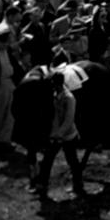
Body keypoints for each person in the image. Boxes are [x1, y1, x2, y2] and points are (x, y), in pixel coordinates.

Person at [36, 65, 85, 201]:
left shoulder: (69, 98)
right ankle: (42, 185)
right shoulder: (55, 95)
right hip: (56, 134)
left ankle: (78, 184)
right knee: (47, 160)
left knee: (72, 161)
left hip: (67, 135)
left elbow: (68, 120)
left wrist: (58, 134)